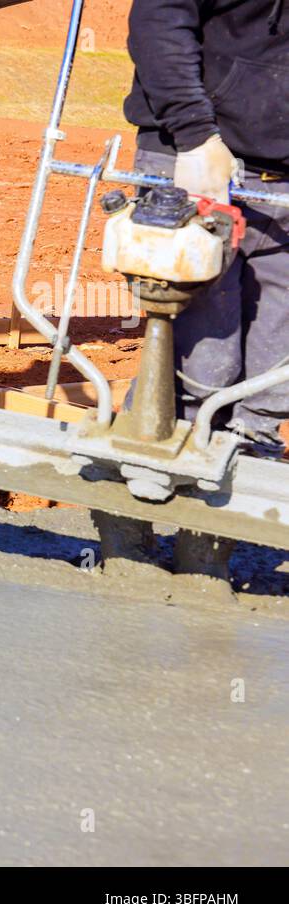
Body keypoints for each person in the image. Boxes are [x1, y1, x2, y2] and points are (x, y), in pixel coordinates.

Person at [97, 0, 289, 578]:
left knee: (268, 386)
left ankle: (205, 563)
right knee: (196, 365)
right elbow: (159, 19)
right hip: (197, 159)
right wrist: (195, 134)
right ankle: (128, 557)